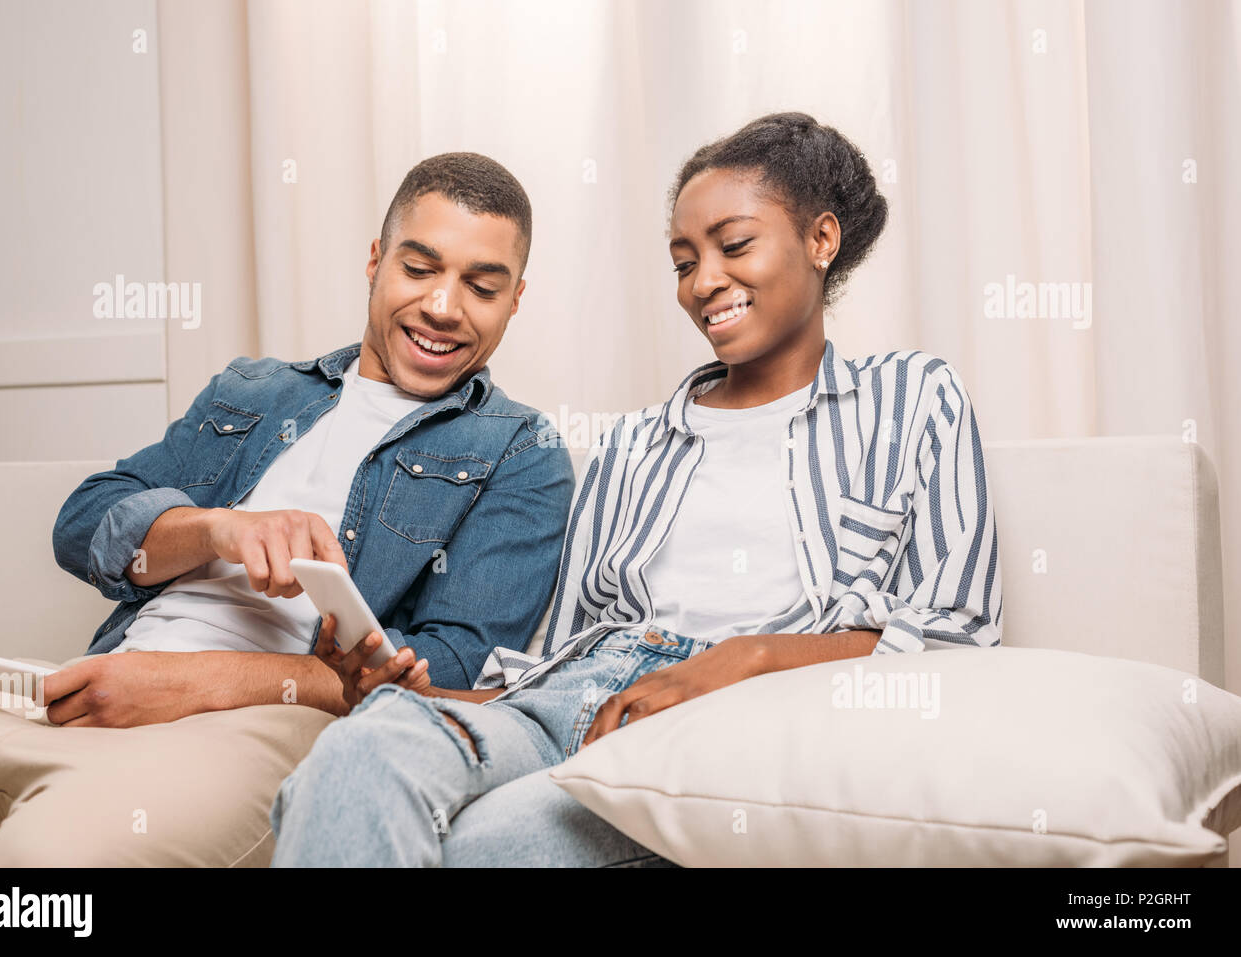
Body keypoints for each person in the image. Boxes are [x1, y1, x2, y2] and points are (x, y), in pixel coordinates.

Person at [269, 112, 1003, 867]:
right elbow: (560, 663)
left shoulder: (914, 397)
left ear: (821, 240)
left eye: (734, 245)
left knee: (479, 848)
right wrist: (408, 697)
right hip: (578, 704)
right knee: (354, 757)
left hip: (734, 727)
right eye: (685, 261)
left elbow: (958, 635)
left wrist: (743, 658)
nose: (704, 281)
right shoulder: (632, 442)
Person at [0, 153, 574, 867]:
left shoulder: (521, 450)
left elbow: (457, 670)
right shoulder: (255, 389)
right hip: (77, 686)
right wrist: (218, 528)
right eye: (419, 268)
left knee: (40, 875)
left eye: (481, 287)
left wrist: (191, 681)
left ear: (515, 300)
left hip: (254, 727)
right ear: (375, 260)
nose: (442, 307)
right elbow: (83, 524)